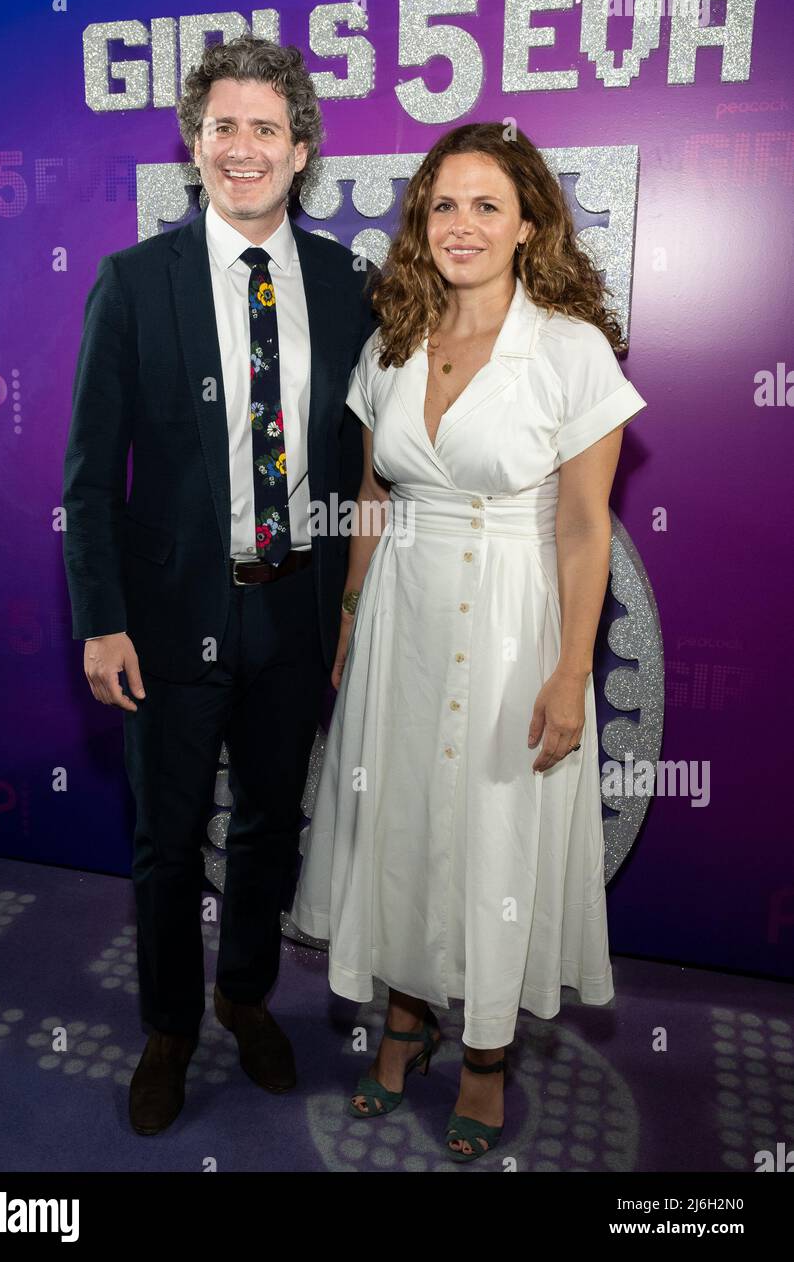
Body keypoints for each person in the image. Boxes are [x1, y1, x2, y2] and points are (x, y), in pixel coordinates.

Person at [291, 122, 648, 1163]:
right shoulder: (391, 339)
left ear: (527, 222)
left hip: (511, 622)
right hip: (399, 612)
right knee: (399, 818)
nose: (461, 224)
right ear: (419, 223)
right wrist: (350, 616)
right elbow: (370, 492)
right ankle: (407, 1016)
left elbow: (584, 528)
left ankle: (486, 1051)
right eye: (442, 204)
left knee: (491, 829)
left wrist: (570, 669)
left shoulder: (570, 350)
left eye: (486, 204)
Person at [62, 36, 377, 1134]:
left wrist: (345, 608)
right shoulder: (133, 282)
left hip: (293, 607)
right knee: (165, 834)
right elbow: (91, 476)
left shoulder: (346, 283)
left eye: (264, 129)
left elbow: (358, 463)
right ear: (194, 145)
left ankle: (243, 996)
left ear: (302, 150)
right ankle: (168, 1027)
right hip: (166, 616)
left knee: (266, 828)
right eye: (221, 127)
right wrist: (100, 621)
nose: (241, 149)